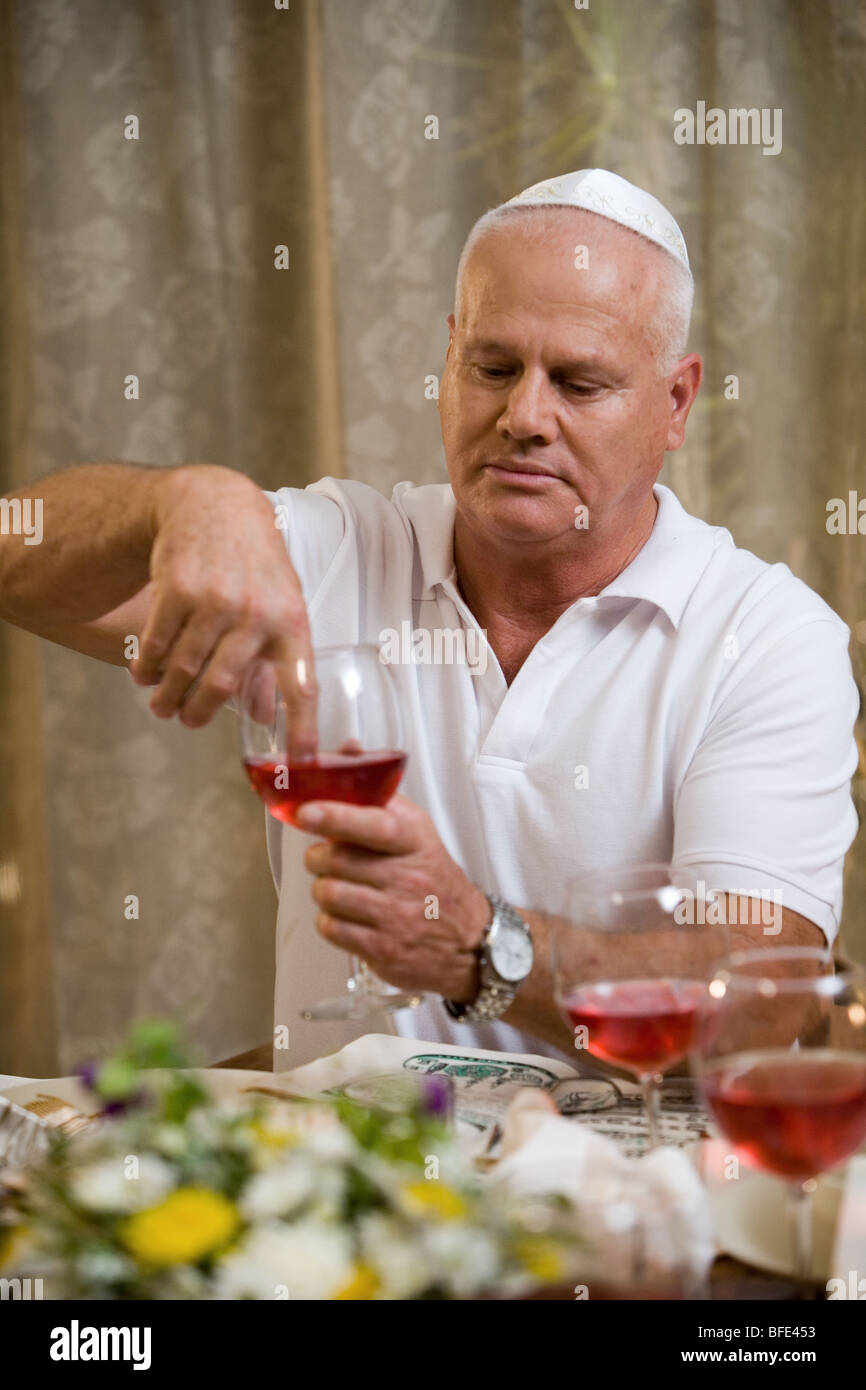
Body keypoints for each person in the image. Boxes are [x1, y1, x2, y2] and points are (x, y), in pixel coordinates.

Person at [1, 170, 858, 1069]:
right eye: (493, 367)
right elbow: (22, 571)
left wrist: (480, 949)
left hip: (616, 1193)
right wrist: (178, 502)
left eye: (579, 382)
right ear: (449, 360)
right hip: (348, 1185)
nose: (524, 416)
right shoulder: (338, 548)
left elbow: (763, 998)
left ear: (675, 403)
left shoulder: (766, 638)